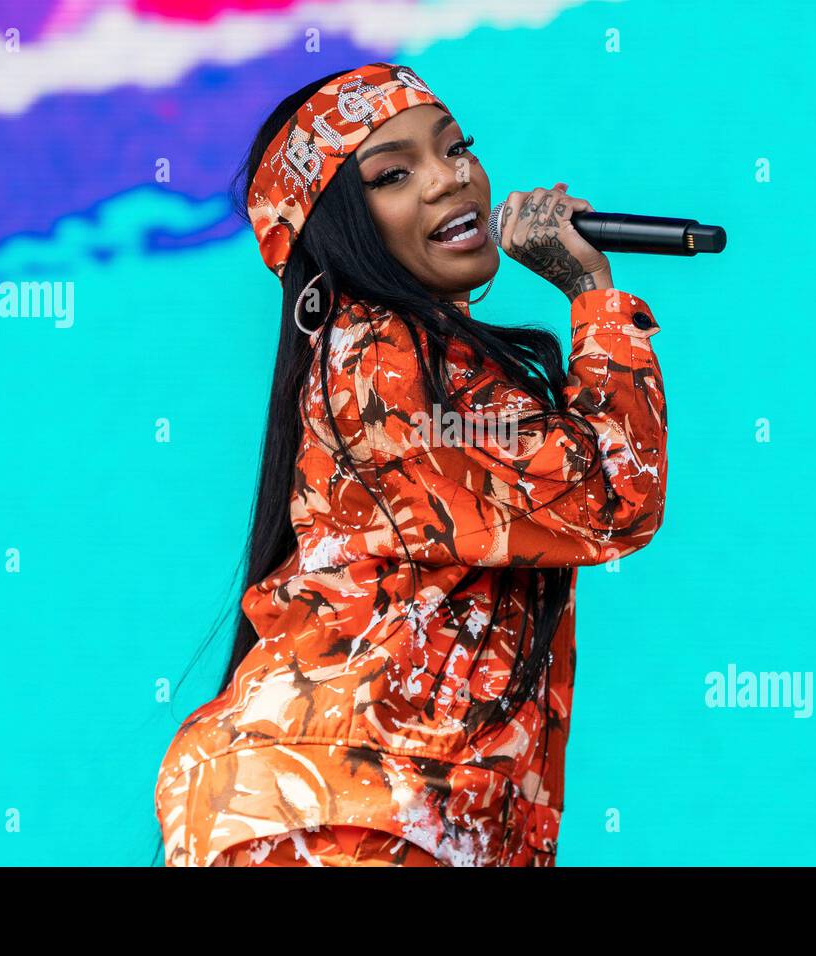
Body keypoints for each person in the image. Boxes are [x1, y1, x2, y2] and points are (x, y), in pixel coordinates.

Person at [153, 61, 669, 867]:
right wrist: (593, 296)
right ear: (334, 230)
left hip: (366, 802)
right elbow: (610, 498)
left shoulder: (404, 360)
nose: (450, 180)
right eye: (394, 174)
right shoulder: (387, 363)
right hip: (350, 807)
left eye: (456, 148)